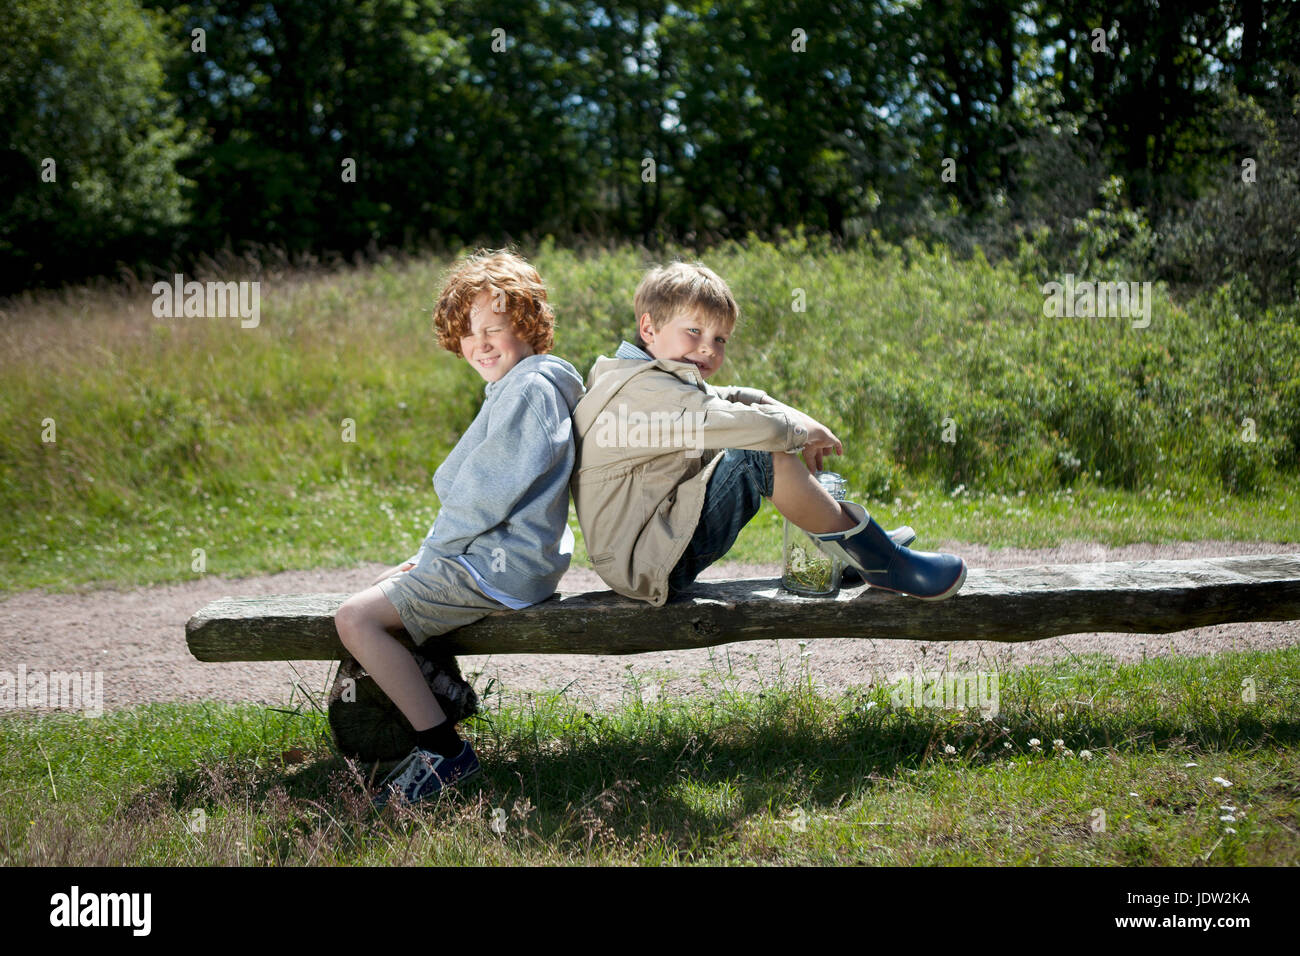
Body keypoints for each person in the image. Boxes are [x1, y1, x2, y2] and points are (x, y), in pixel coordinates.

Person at [335, 249, 584, 807]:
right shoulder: (521, 386)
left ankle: (444, 752)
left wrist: (432, 557)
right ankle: (441, 693)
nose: (482, 344)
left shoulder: (527, 390)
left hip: (506, 565)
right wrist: (432, 558)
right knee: (377, 599)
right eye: (469, 335)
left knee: (355, 618)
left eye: (496, 329)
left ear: (528, 326)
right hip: (509, 558)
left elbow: (484, 497)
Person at [570, 261, 965, 608]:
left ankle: (855, 552)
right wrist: (794, 431)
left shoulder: (636, 375)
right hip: (646, 564)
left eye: (719, 339)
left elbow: (731, 398)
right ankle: (882, 562)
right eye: (694, 331)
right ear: (649, 328)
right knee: (756, 450)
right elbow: (729, 421)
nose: (708, 349)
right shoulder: (643, 394)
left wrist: (796, 418)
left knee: (760, 439)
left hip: (647, 547)